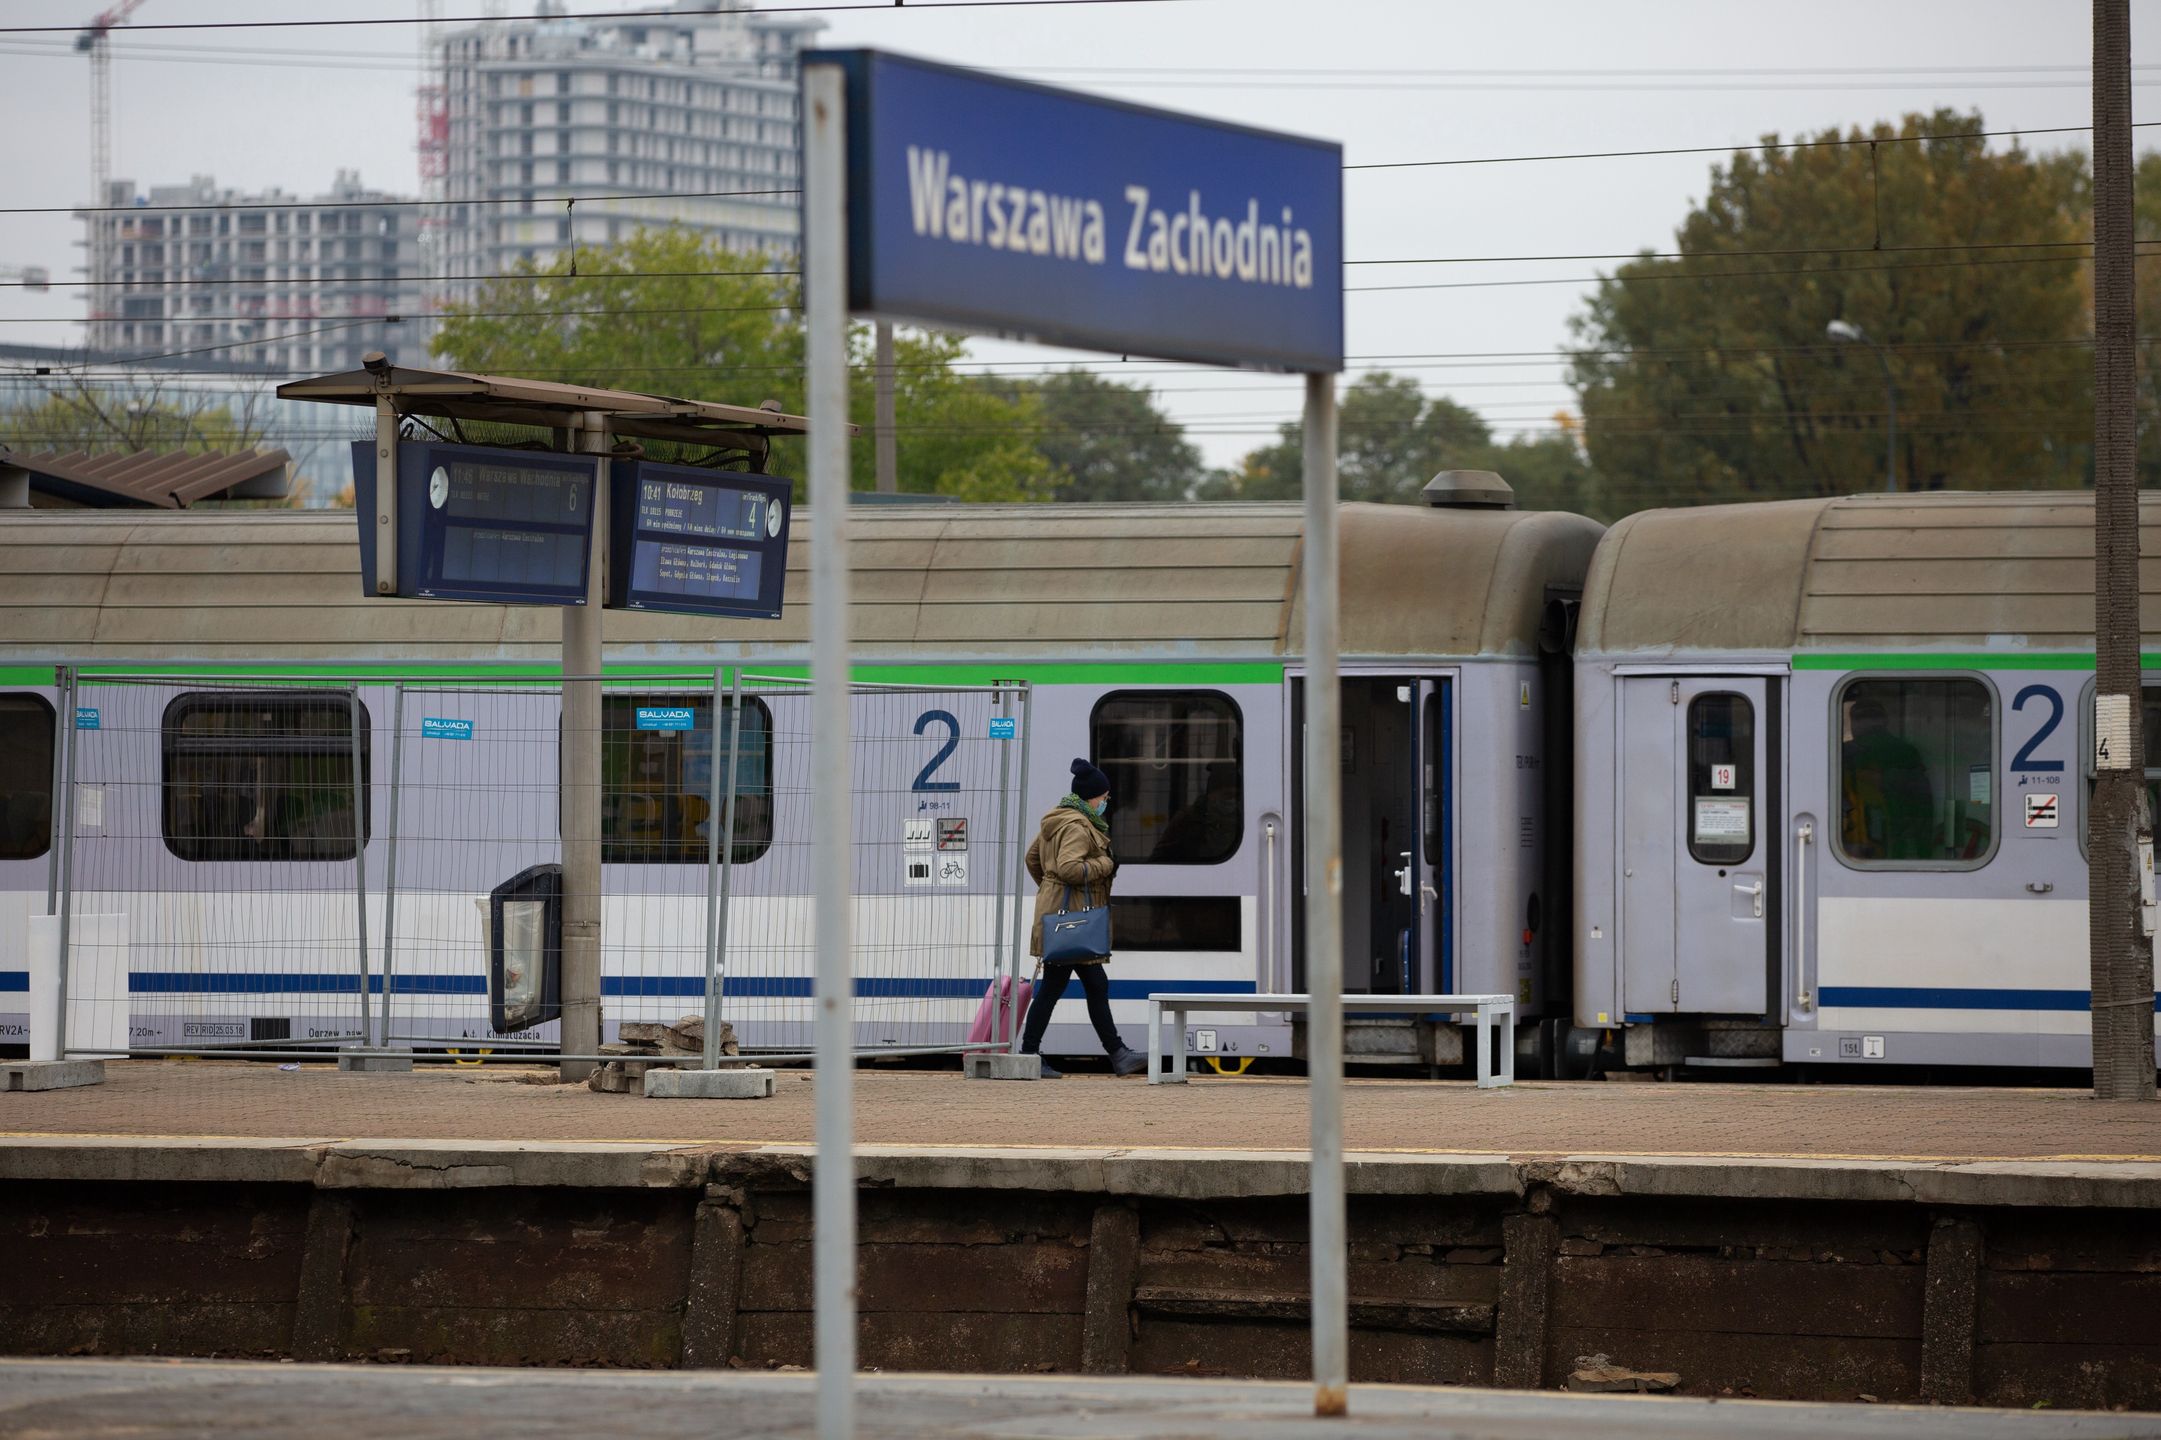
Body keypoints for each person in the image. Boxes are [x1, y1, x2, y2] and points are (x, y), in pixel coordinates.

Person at [1019, 758, 1148, 1078]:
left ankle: (1116, 1053)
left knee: (1087, 983)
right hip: (1073, 920)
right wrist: (1106, 864)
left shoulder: (1058, 818)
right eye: (1104, 796)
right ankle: (1032, 1054)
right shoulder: (1077, 825)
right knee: (1065, 986)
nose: (1106, 801)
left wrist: (1050, 891)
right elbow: (1068, 868)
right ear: (1092, 797)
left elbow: (1032, 859)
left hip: (1063, 915)